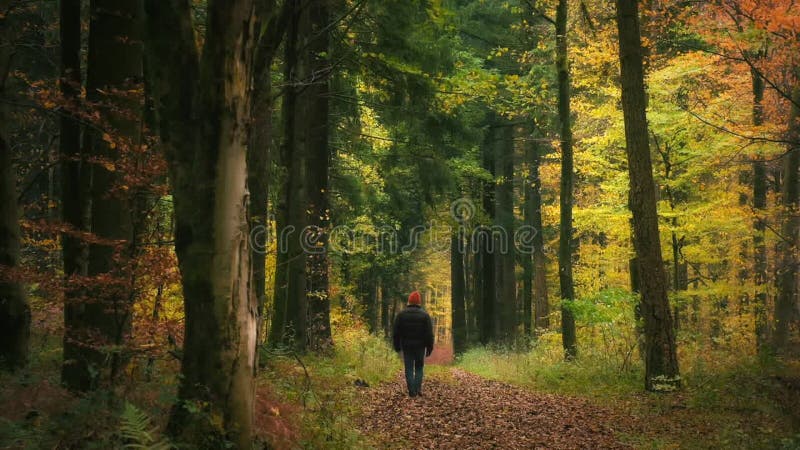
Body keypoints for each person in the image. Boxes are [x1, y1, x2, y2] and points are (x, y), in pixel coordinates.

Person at [392, 291, 434, 397]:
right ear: (419, 302)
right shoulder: (425, 315)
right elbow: (429, 334)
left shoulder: (401, 315)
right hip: (420, 346)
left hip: (407, 346)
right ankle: (417, 388)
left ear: (409, 301)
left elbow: (396, 332)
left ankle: (411, 390)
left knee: (409, 368)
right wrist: (430, 347)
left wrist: (397, 346)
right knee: (419, 367)